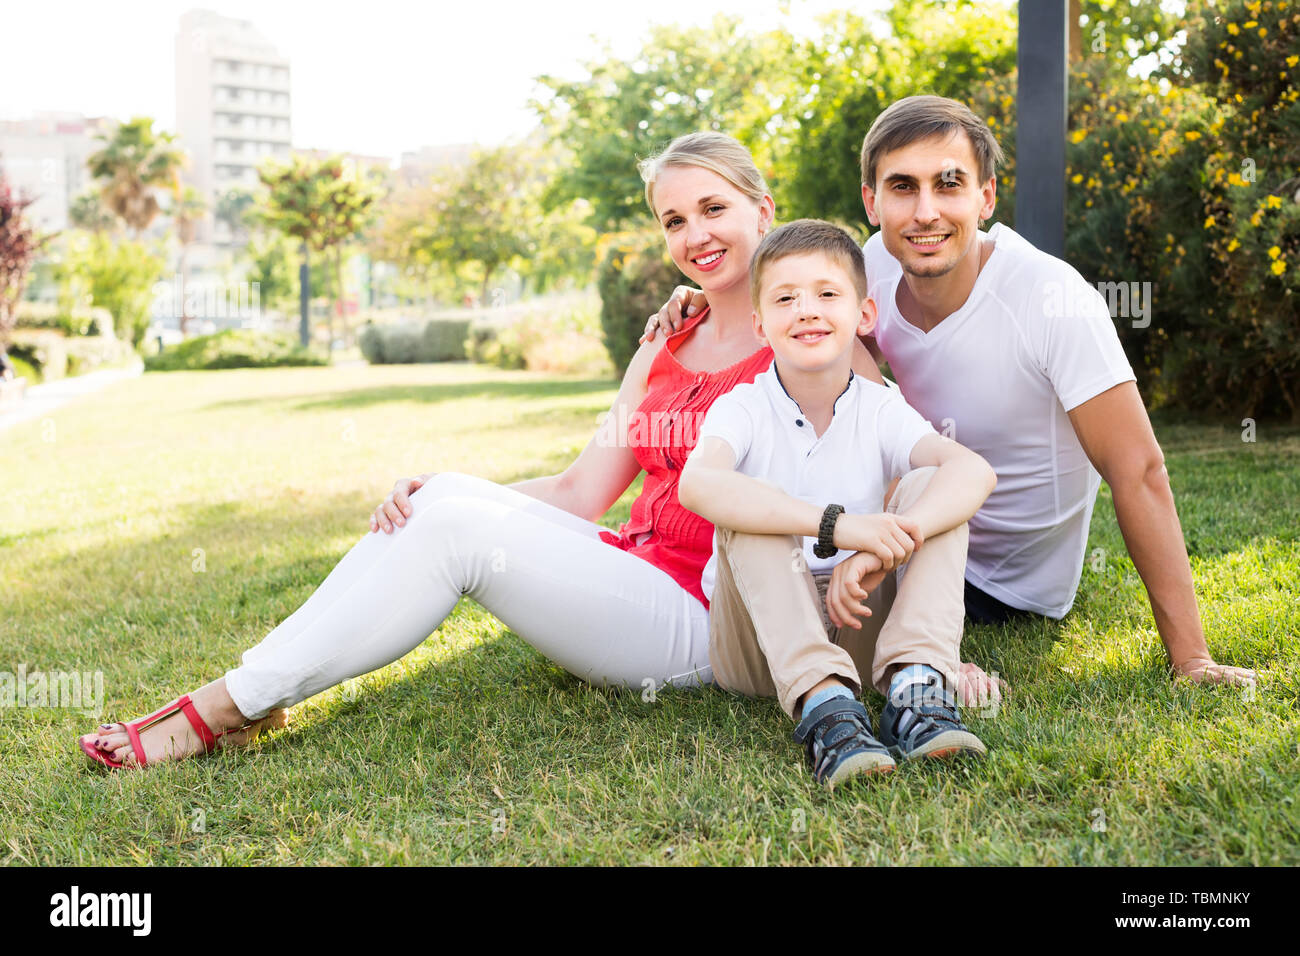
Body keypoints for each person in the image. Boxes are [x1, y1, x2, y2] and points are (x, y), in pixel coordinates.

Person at [79, 131, 886, 769]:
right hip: (634, 564)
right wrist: (445, 484)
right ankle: (262, 690)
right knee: (436, 503)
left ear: (761, 209)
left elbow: (884, 470)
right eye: (674, 220)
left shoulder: (812, 334)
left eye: (713, 209)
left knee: (455, 532)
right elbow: (580, 491)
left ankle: (226, 706)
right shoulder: (665, 343)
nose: (695, 235)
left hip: (712, 620)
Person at [646, 96, 1257, 692]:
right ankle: (853, 668)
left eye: (949, 184)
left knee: (934, 484)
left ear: (985, 196)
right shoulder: (872, 269)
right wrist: (711, 296)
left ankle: (918, 659)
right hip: (882, 548)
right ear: (872, 201)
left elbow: (1139, 469)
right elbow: (815, 338)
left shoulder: (1050, 298)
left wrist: (1192, 657)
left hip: (1003, 584)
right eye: (903, 188)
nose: (925, 212)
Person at [679, 218, 997, 787]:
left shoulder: (880, 407)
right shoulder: (741, 409)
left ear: (863, 315)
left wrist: (882, 549)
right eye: (785, 298)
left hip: (861, 617)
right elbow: (699, 485)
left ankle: (916, 688)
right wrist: (841, 528)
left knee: (936, 484)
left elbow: (973, 471)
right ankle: (828, 711)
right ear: (760, 325)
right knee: (751, 504)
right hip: (760, 641)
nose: (807, 310)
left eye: (827, 294)